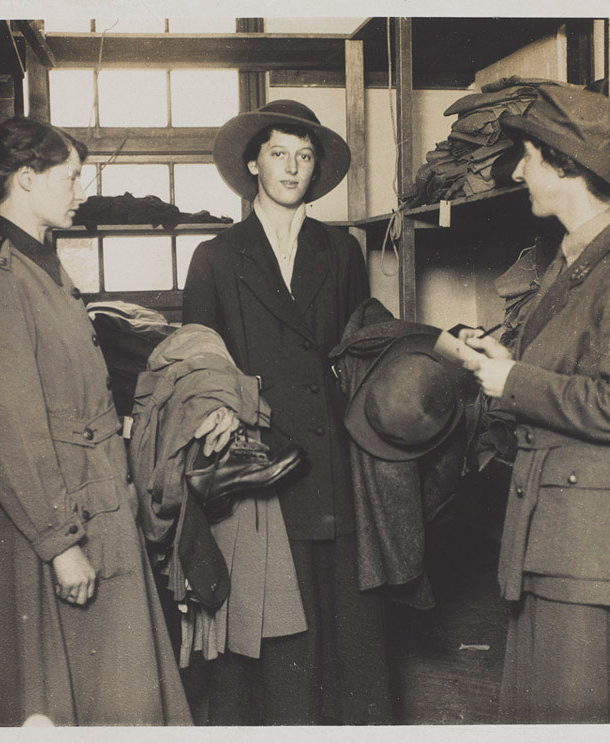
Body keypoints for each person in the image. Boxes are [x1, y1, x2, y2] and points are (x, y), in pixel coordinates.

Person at [461, 86, 610, 723]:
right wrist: (500, 361)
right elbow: (571, 370)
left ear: (566, 167)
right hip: (569, 535)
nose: (518, 172)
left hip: (599, 549)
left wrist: (514, 382)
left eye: (530, 158)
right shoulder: (572, 265)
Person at [0, 117, 191, 726]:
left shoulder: (42, 264)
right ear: (26, 178)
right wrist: (59, 545)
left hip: (93, 504)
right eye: (69, 179)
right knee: (79, 700)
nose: (78, 192)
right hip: (59, 520)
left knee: (119, 694)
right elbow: (6, 429)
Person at [181, 100, 391, 724]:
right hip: (261, 456)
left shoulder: (342, 250)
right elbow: (198, 355)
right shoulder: (215, 257)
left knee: (343, 607)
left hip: (333, 453)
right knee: (275, 614)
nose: (292, 168)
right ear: (253, 163)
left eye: (304, 156)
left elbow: (358, 344)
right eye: (279, 153)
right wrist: (224, 404)